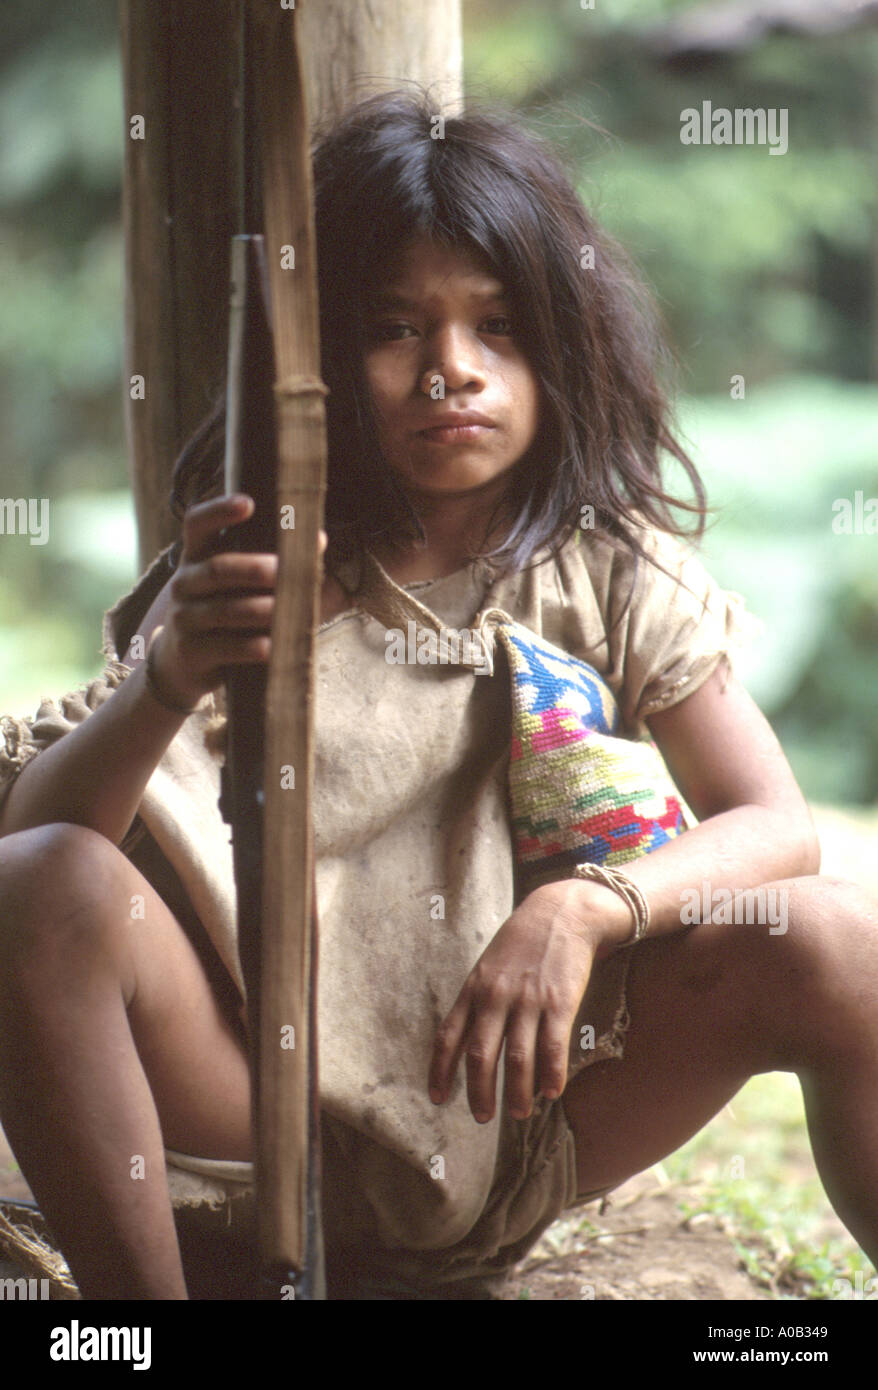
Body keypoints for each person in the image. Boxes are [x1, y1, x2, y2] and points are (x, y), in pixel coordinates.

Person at [1, 91, 877, 1301]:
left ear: (561, 342)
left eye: (497, 327)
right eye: (394, 328)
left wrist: (579, 912)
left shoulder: (606, 567)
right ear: (316, 357)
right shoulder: (253, 565)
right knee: (39, 879)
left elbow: (776, 828)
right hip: (257, 1129)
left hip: (511, 1115)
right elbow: (34, 853)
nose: (447, 373)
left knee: (843, 943)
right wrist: (168, 677)